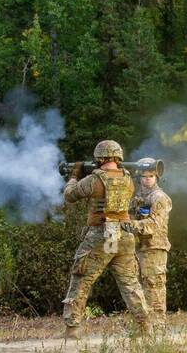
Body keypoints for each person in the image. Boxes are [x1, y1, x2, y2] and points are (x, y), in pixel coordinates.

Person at [60, 140, 152, 337]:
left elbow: (69, 195)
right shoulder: (128, 179)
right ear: (118, 157)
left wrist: (74, 175)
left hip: (100, 236)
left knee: (81, 279)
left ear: (99, 157)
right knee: (131, 285)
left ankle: (72, 329)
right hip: (125, 236)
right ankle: (145, 327)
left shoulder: (95, 180)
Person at [125, 158, 172, 326]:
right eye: (144, 176)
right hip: (139, 248)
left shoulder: (159, 198)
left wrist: (130, 225)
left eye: (151, 176)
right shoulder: (137, 197)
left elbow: (154, 224)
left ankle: (158, 327)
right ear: (139, 178)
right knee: (139, 288)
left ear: (156, 177)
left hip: (154, 248)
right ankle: (144, 326)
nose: (147, 179)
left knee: (154, 287)